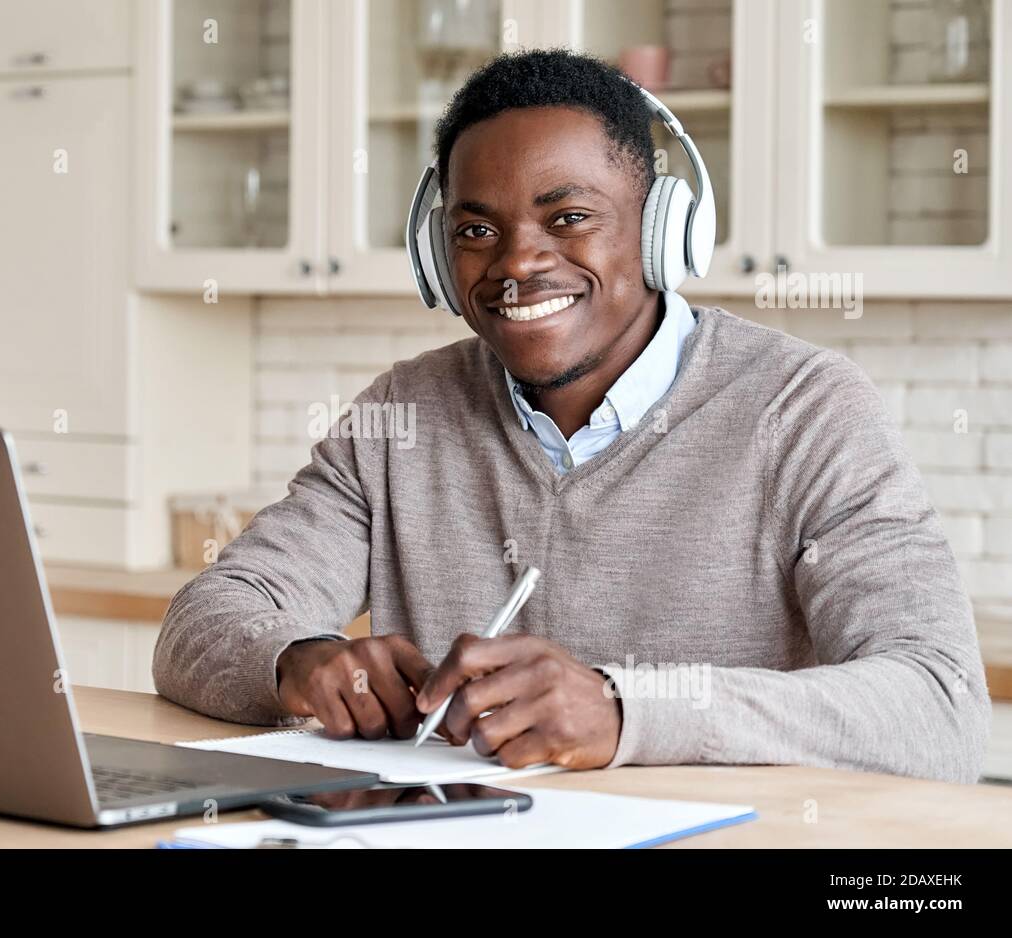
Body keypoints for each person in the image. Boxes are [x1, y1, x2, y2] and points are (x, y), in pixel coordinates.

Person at [154, 50, 989, 783]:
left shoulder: (804, 410)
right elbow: (206, 618)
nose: (518, 261)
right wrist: (299, 663)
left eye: (570, 217)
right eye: (477, 228)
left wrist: (626, 713)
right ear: (436, 256)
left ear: (664, 231)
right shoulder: (400, 416)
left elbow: (939, 706)